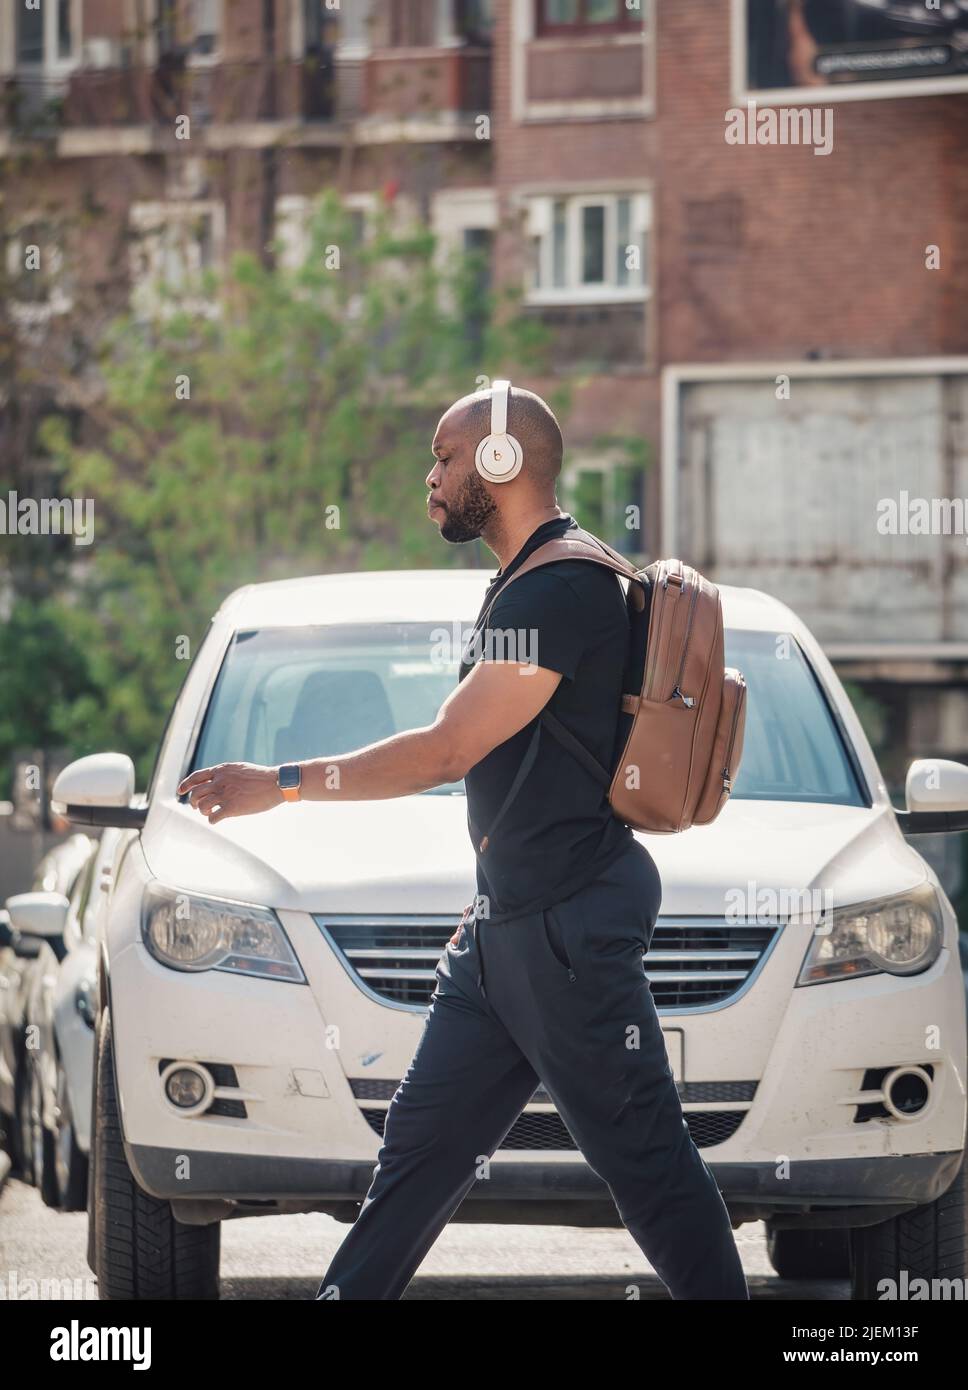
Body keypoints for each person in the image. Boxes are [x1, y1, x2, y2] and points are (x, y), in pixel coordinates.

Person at [178, 382, 750, 1301]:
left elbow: (448, 748)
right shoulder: (530, 580)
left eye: (445, 458)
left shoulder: (561, 589)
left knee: (650, 1166)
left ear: (499, 459)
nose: (431, 478)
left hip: (566, 931)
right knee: (421, 1154)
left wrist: (279, 784)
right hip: (504, 930)